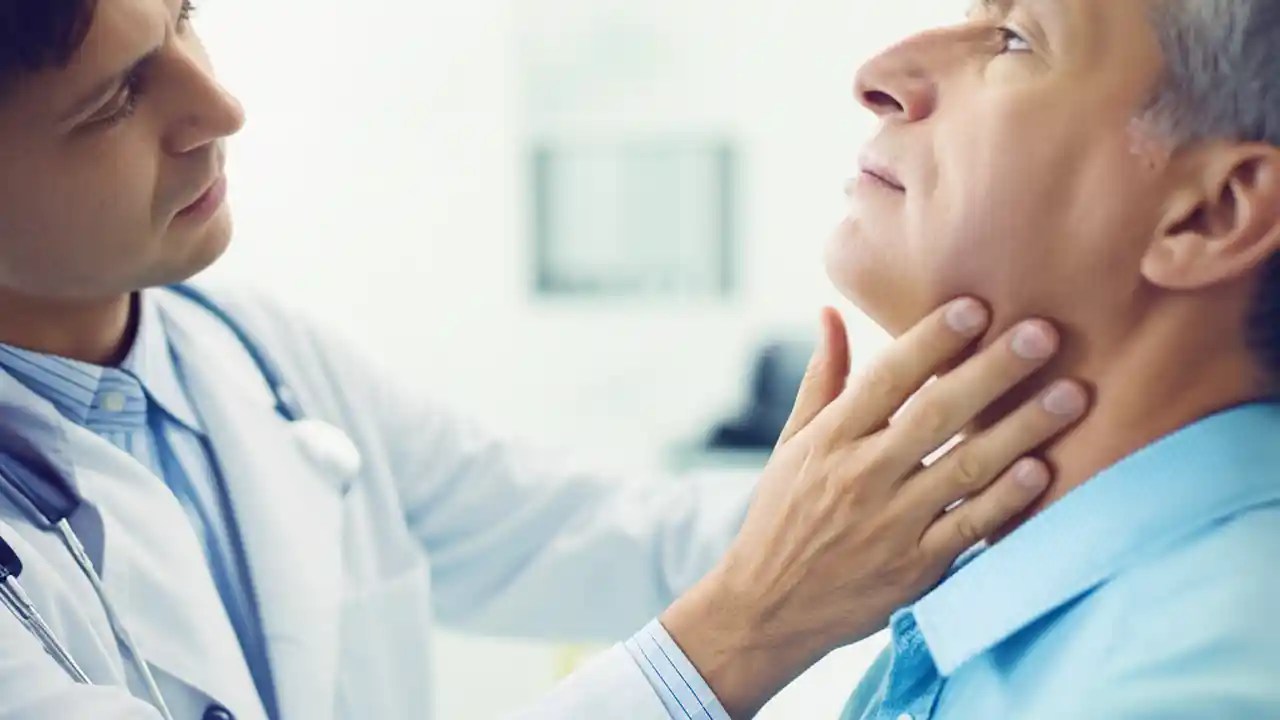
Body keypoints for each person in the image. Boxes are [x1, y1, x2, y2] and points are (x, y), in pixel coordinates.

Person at [0, 1, 1092, 719]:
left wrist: (941, 487)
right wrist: (739, 630)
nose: (219, 108)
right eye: (116, 100)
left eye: (187, 19)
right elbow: (723, 595)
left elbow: (585, 532)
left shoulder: (257, 358)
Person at [834, 0, 1280, 718]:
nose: (879, 77)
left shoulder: (1187, 692)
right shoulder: (1030, 613)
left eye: (1014, 40)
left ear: (1210, 213)